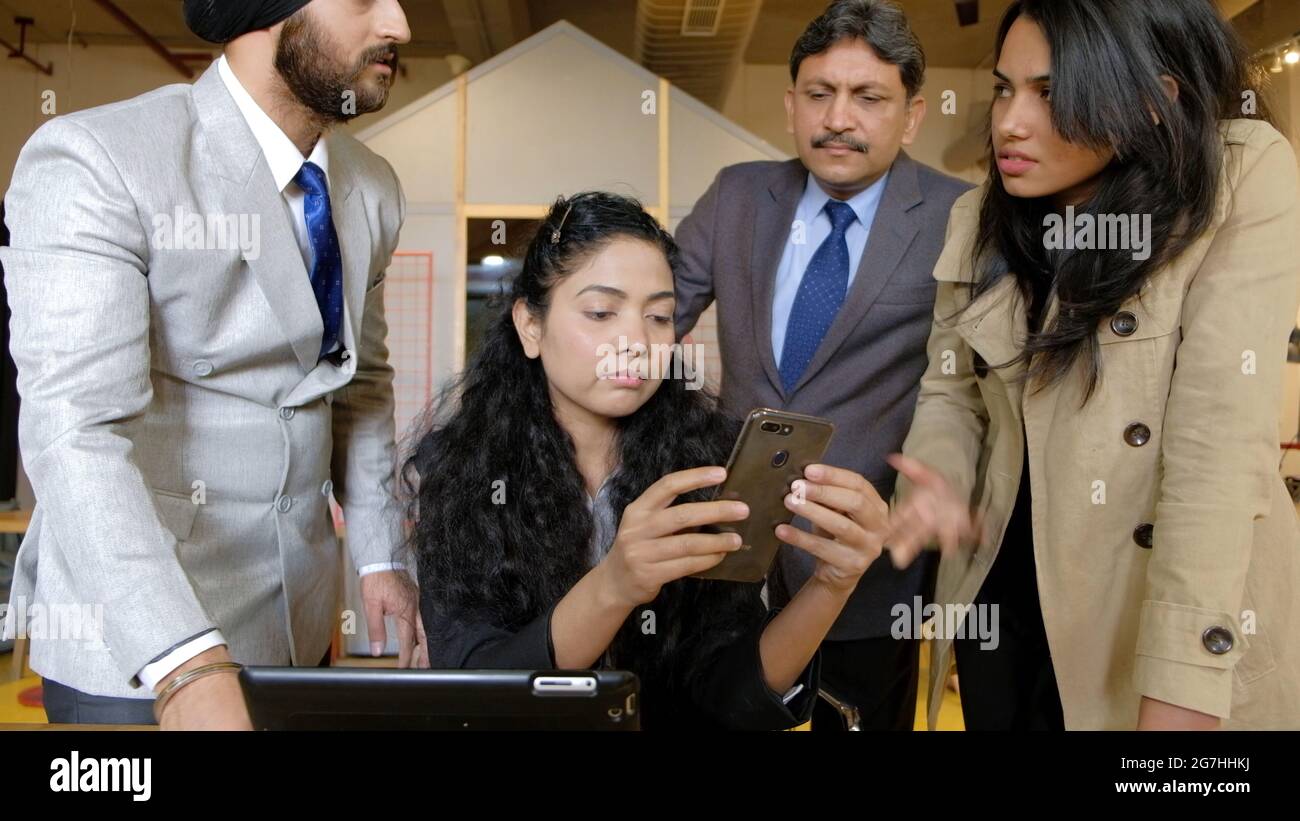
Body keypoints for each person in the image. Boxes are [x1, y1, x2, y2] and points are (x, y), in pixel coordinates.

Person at [1, 0, 418, 729]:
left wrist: (380, 556)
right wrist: (184, 659)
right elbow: (75, 431)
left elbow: (363, 384)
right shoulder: (99, 158)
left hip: (295, 622)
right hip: (136, 648)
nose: (399, 25)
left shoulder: (373, 186)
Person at [888, 0, 1300, 730]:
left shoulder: (1241, 175)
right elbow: (952, 392)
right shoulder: (981, 212)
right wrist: (937, 480)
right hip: (1005, 599)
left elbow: (1218, 450)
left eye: (1049, 93)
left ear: (1151, 100)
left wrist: (1181, 683)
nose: (1009, 121)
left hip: (1152, 606)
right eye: (1006, 87)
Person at [407, 192, 890, 730]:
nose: (636, 341)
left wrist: (832, 584)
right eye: (600, 312)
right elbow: (480, 698)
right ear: (530, 325)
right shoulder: (457, 470)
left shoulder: (709, 462)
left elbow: (732, 699)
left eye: (659, 316)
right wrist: (614, 585)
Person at [673, 0, 971, 729]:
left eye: (869, 98)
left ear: (912, 115)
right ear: (790, 103)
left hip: (866, 571)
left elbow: (972, 389)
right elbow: (653, 319)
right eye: (819, 93)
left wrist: (949, 485)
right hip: (726, 554)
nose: (839, 118)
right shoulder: (736, 194)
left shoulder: (959, 214)